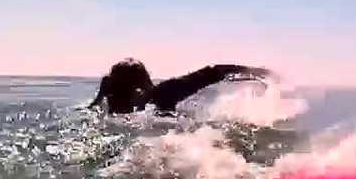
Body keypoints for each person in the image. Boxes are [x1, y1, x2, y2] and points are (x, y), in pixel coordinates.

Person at [87, 58, 271, 114]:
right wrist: (256, 72)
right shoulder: (162, 94)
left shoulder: (108, 96)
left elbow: (211, 73)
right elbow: (212, 72)